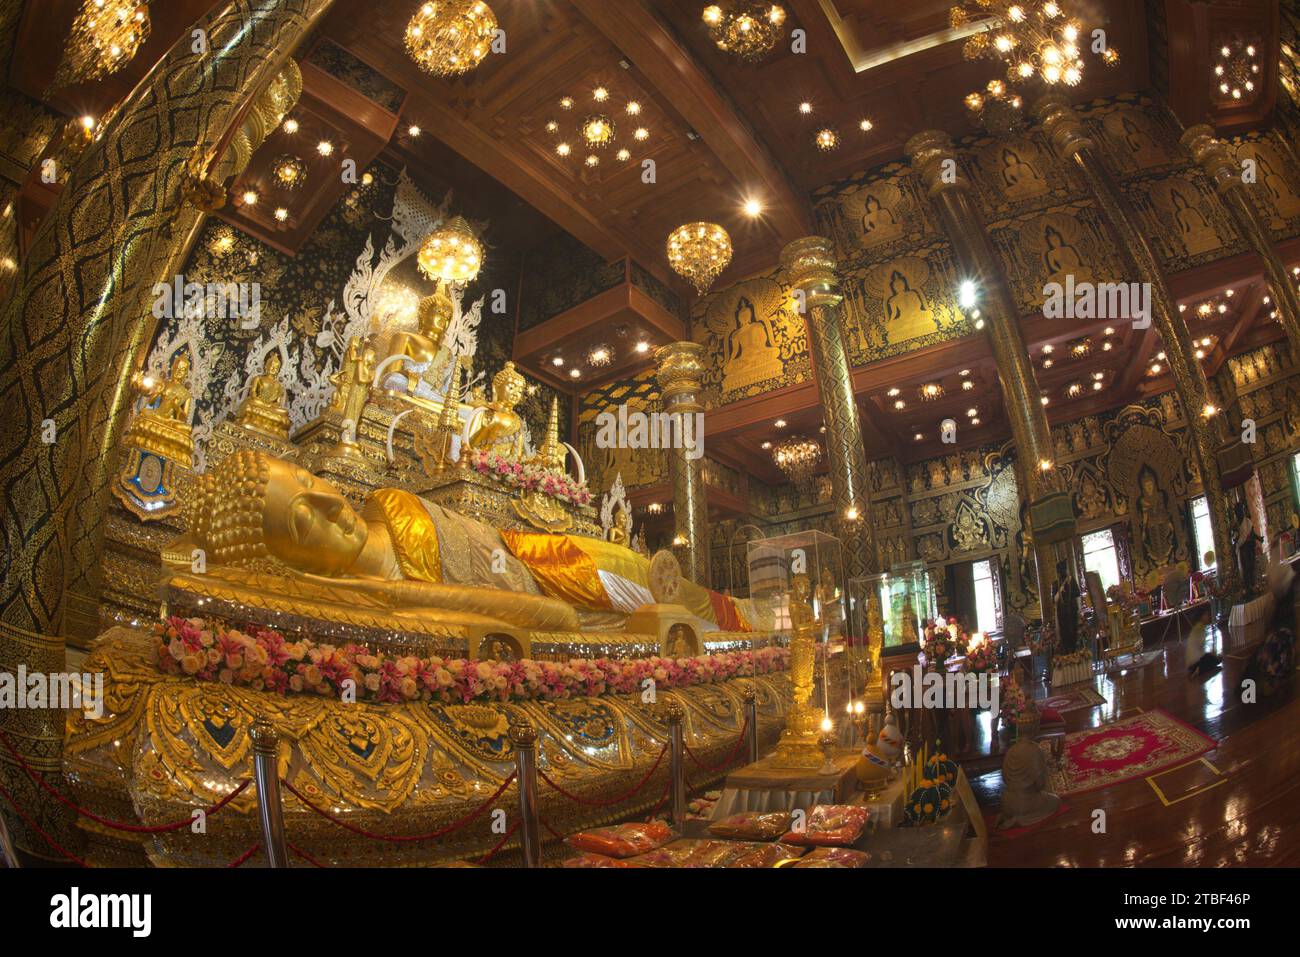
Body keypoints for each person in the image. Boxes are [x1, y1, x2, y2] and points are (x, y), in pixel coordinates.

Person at [1243, 561, 1297, 699]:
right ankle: (1253, 689)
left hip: (1283, 628)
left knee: (1273, 654)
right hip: (1283, 627)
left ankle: (1255, 689)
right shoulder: (1285, 593)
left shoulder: (1285, 593)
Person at [1184, 604, 1221, 680]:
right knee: (1217, 659)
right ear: (1201, 617)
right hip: (1196, 661)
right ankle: (1199, 669)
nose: (1208, 617)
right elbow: (1200, 647)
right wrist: (1211, 654)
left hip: (1191, 663)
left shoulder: (1198, 626)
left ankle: (1198, 669)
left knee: (1215, 658)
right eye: (1206, 615)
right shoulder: (1200, 627)